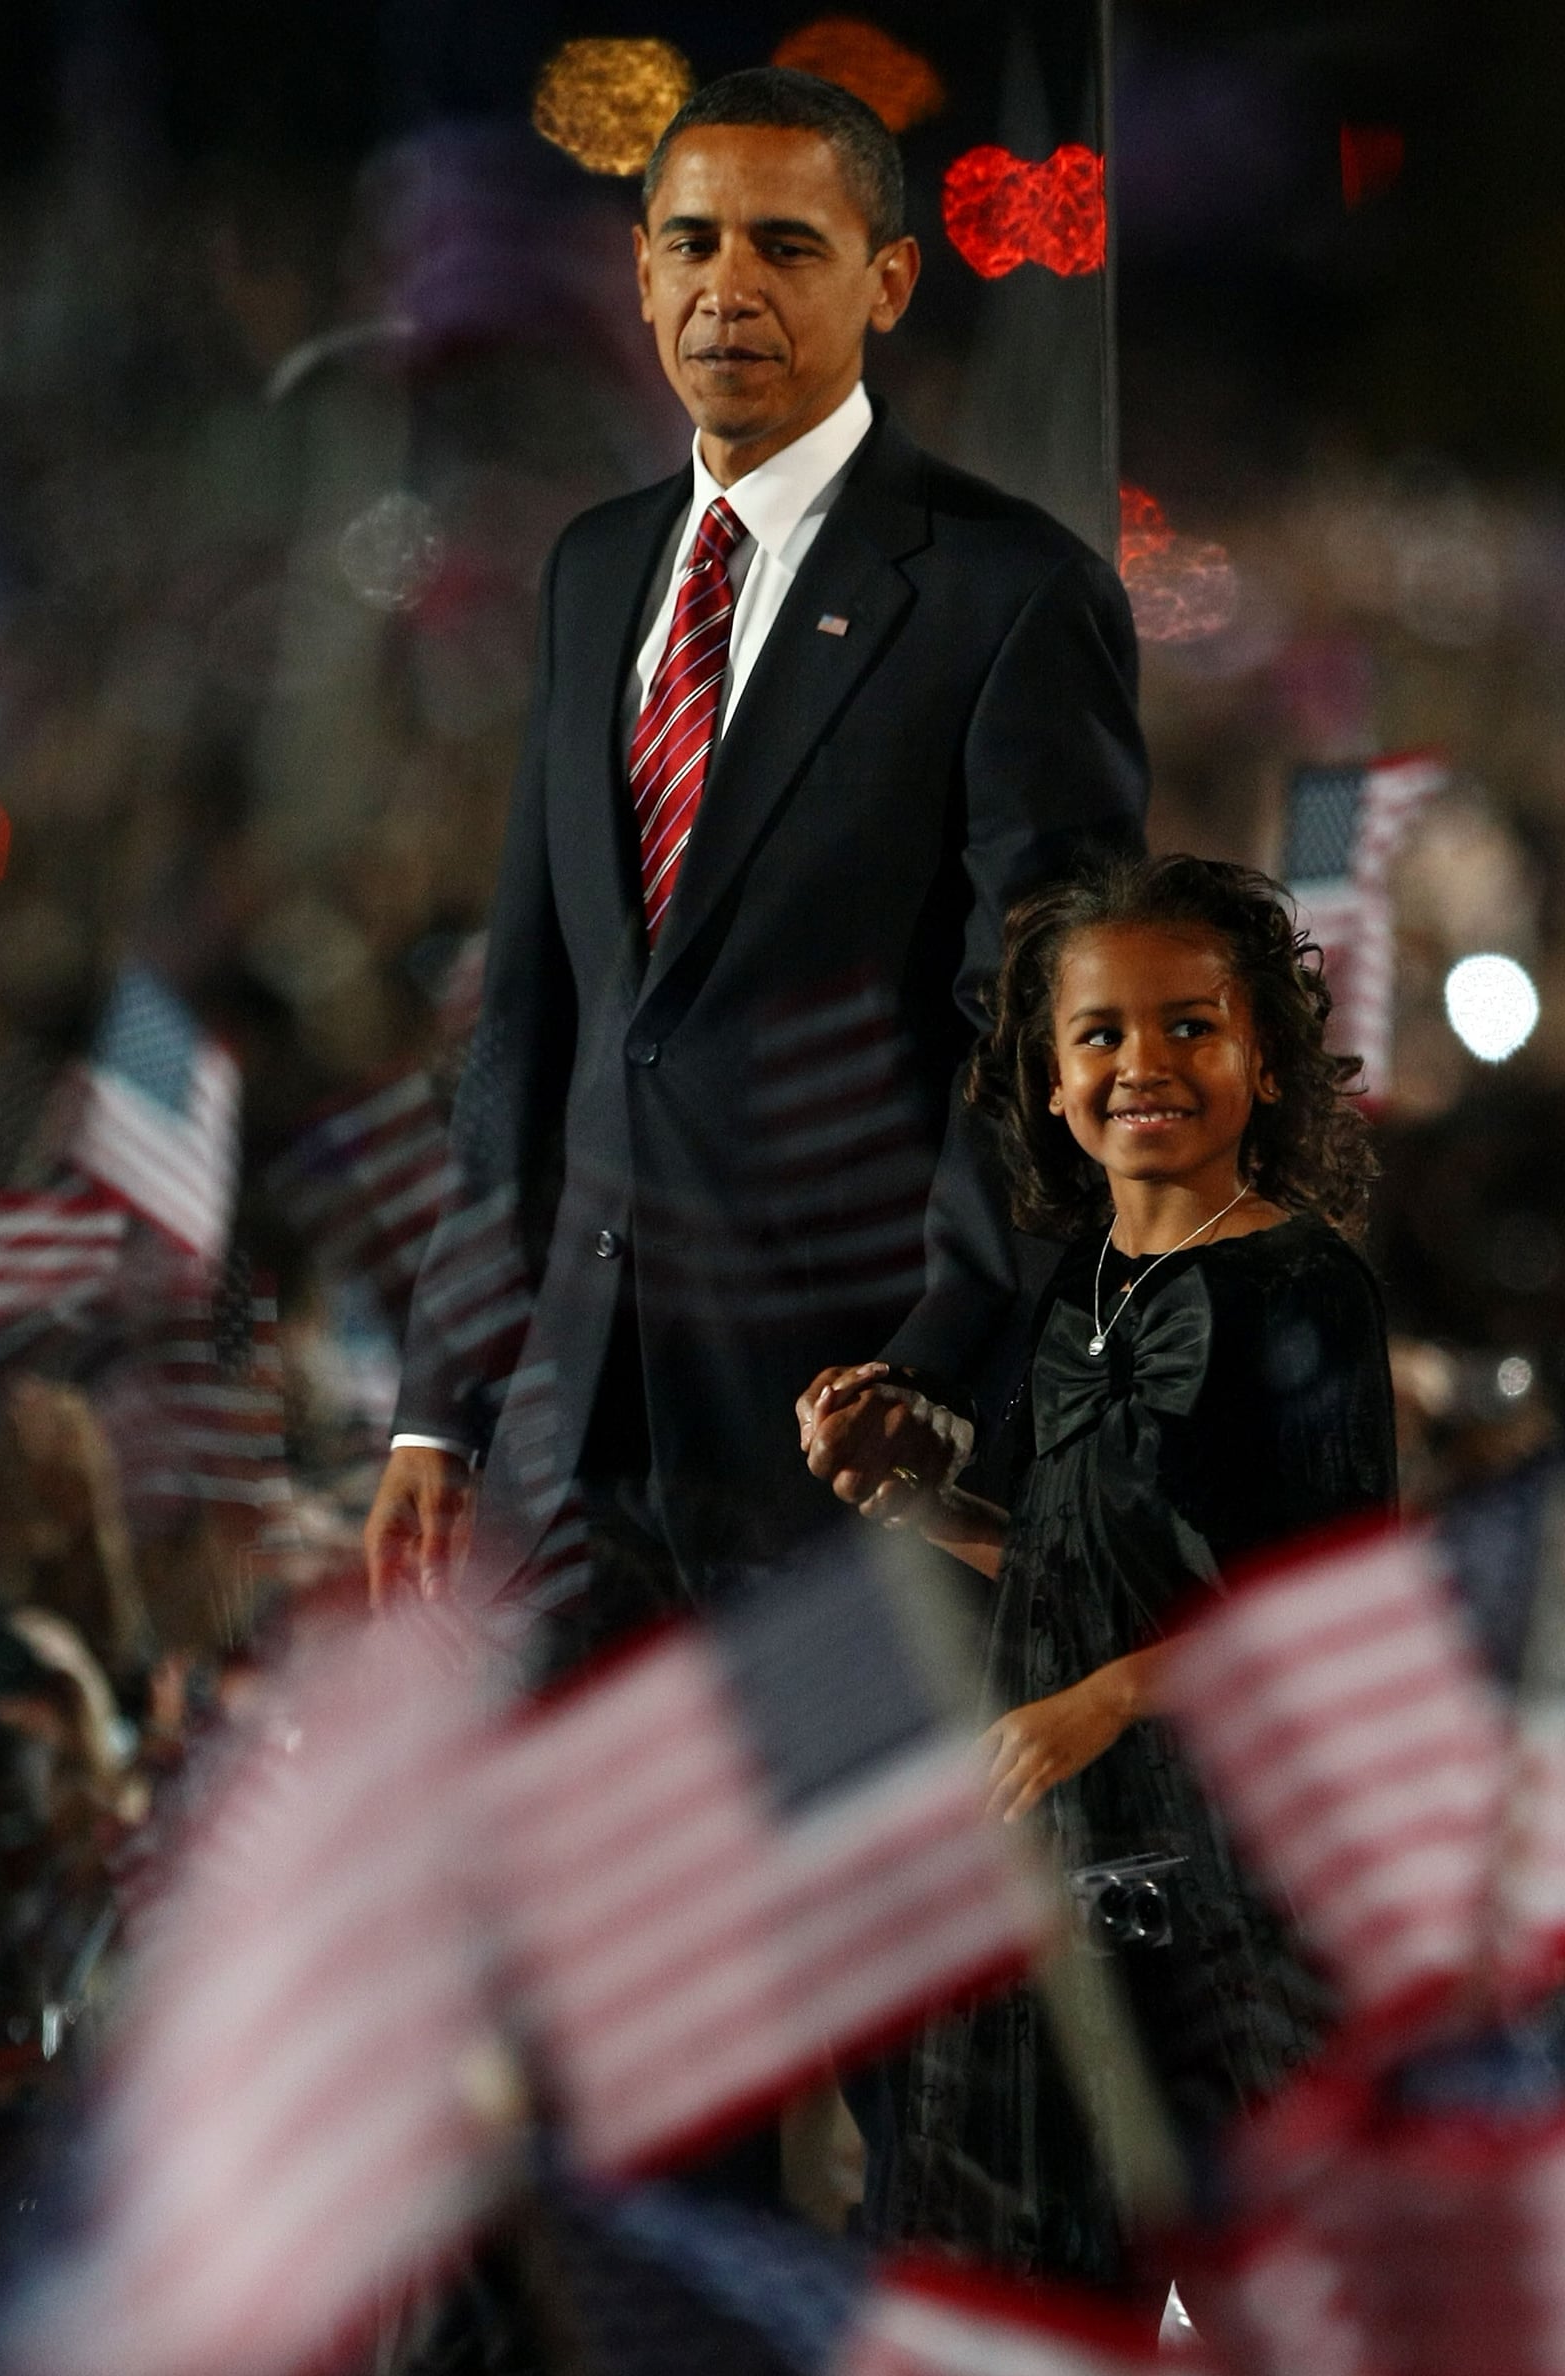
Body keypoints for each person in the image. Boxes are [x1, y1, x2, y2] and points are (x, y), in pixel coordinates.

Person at [364, 68, 1148, 1667]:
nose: (731, 287)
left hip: (844, 1444)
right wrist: (440, 1403)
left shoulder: (1010, 594)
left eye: (787, 246)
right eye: (694, 242)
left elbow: (1042, 1035)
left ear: (888, 279)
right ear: (642, 271)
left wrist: (937, 1376)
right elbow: (533, 1017)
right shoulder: (594, 570)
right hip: (570, 1442)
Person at [826, 854, 1396, 2291]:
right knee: (1050, 2292)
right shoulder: (1072, 1285)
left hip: (1229, 1901)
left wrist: (1103, 1704)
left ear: (1267, 1061)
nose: (1145, 1062)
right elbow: (1073, 1558)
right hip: (1062, 1892)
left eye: (1190, 1025)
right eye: (1101, 1034)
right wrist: (921, 1507)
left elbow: (1329, 1614)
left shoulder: (1305, 1289)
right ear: (1050, 1080)